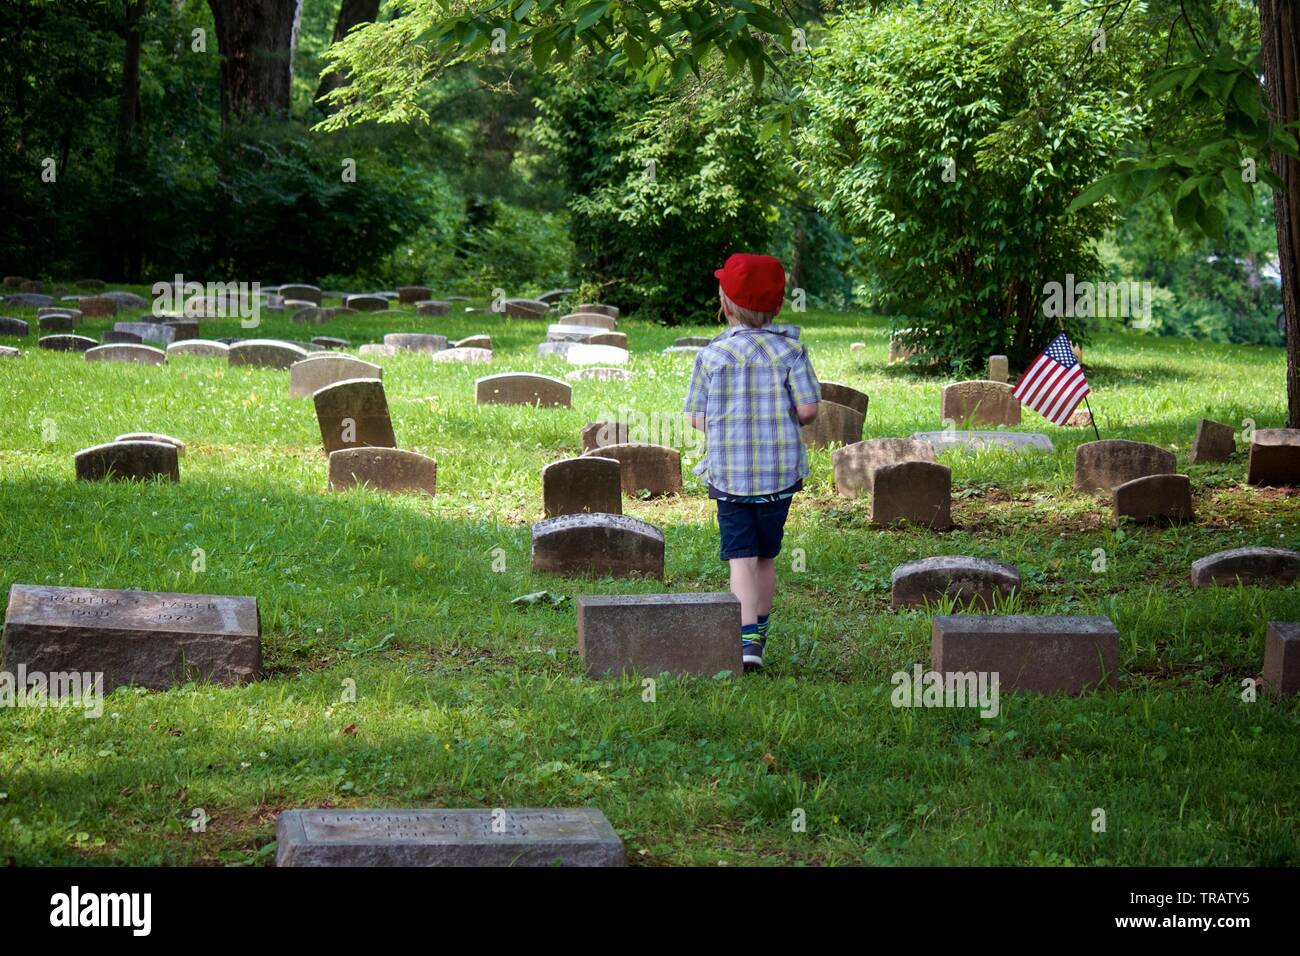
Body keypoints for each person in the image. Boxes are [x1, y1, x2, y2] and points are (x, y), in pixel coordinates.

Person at [683, 253, 821, 672]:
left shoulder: (712, 355)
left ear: (725, 305)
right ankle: (757, 634)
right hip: (778, 477)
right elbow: (809, 410)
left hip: (730, 477)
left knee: (740, 558)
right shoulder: (791, 351)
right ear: (778, 306)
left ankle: (745, 645)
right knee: (766, 556)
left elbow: (695, 417)